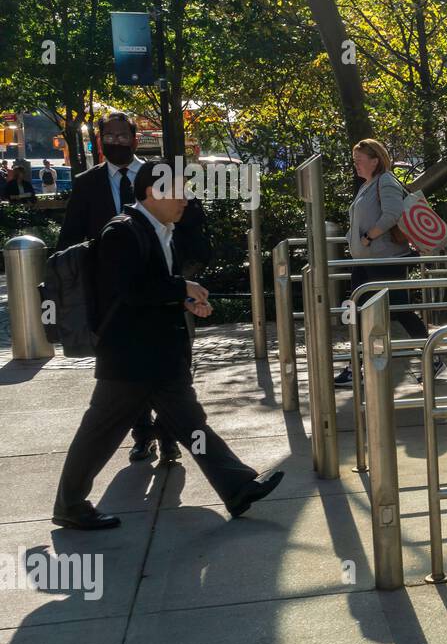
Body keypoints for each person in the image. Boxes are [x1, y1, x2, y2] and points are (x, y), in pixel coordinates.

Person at [51, 169, 283, 530]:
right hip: (130, 359)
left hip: (159, 356)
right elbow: (130, 291)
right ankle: (69, 504)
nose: (185, 199)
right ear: (151, 192)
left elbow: (157, 291)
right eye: (178, 192)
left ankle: (237, 487)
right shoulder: (121, 232)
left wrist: (186, 301)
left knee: (192, 426)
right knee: (99, 433)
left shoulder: (162, 232)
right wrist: (181, 289)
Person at [56, 112, 180, 464]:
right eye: (108, 135)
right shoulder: (86, 184)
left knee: (167, 367)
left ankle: (170, 436)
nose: (116, 141)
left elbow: (184, 223)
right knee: (126, 371)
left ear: (135, 139)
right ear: (100, 141)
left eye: (123, 135)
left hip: (160, 291)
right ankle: (142, 436)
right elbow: (69, 242)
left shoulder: (159, 175)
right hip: (114, 300)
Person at [336, 139, 435, 387]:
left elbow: (393, 214)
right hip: (367, 260)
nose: (356, 165)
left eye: (359, 160)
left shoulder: (386, 181)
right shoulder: (367, 185)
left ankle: (432, 358)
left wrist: (369, 237)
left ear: (375, 160)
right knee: (359, 311)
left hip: (385, 259)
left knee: (400, 310)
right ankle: (355, 365)